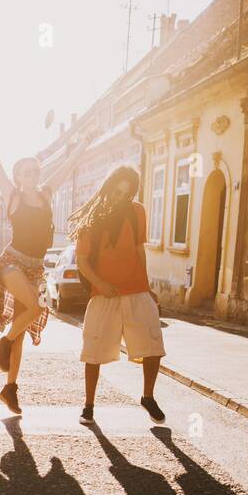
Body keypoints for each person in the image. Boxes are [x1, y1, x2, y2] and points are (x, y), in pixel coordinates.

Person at [0, 108, 90, 414]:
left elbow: (68, 166)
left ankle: (10, 388)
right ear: (18, 177)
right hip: (11, 263)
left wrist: (84, 144)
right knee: (33, 310)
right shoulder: (12, 195)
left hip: (35, 267)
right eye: (26, 172)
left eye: (35, 171)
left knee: (21, 329)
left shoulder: (46, 194)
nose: (33, 176)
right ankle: (2, 344)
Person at [69, 165, 166, 425]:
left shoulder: (137, 212)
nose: (120, 197)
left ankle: (148, 396)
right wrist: (101, 283)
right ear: (109, 186)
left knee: (153, 345)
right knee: (93, 351)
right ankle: (88, 406)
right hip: (104, 295)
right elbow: (82, 262)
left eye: (127, 193)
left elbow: (139, 250)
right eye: (117, 191)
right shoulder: (92, 218)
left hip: (136, 290)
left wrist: (147, 287)